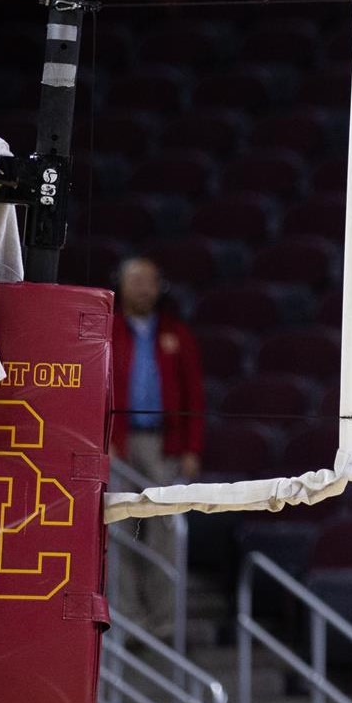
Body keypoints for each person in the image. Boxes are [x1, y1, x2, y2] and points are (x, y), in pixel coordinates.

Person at [109, 254, 206, 633]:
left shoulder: (176, 334)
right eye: (136, 280)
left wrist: (192, 449)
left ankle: (164, 625)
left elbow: (194, 396)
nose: (143, 288)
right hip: (119, 443)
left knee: (165, 533)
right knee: (120, 531)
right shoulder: (110, 329)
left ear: (160, 287)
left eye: (150, 280)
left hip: (163, 444)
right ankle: (128, 619)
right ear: (121, 284)